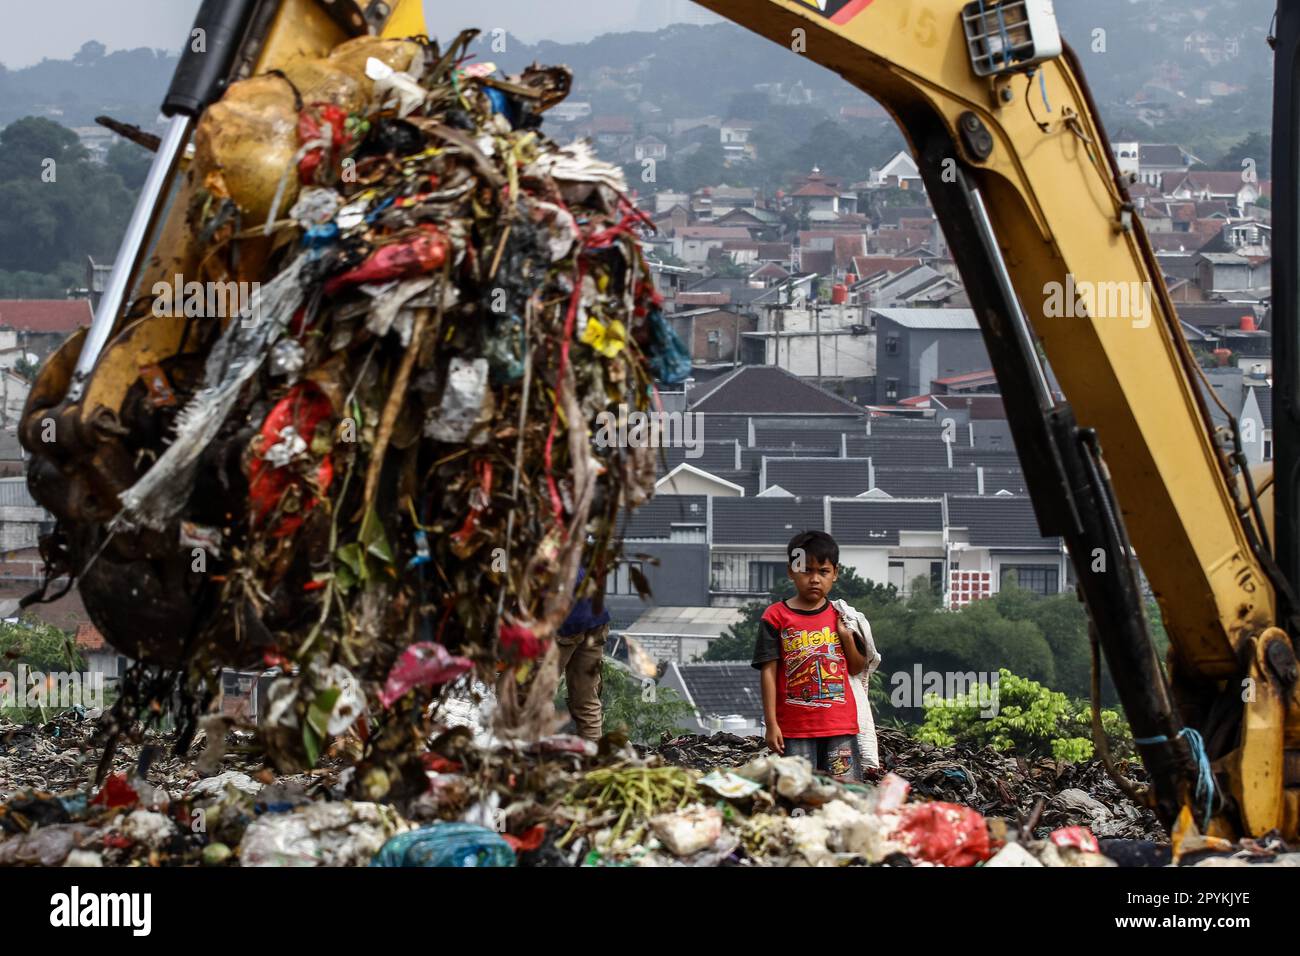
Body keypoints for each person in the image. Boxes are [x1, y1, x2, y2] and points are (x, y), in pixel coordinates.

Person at [751, 530, 866, 782]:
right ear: (791, 571)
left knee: (846, 796)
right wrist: (771, 724)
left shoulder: (843, 616)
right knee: (798, 794)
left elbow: (857, 668)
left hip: (840, 726)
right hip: (795, 730)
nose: (814, 579)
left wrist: (846, 637)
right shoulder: (775, 617)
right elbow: (768, 673)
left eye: (823, 572)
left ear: (835, 573)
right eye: (806, 571)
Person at [556, 566, 611, 741]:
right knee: (586, 698)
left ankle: (531, 759)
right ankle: (593, 757)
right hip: (595, 619)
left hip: (564, 623)